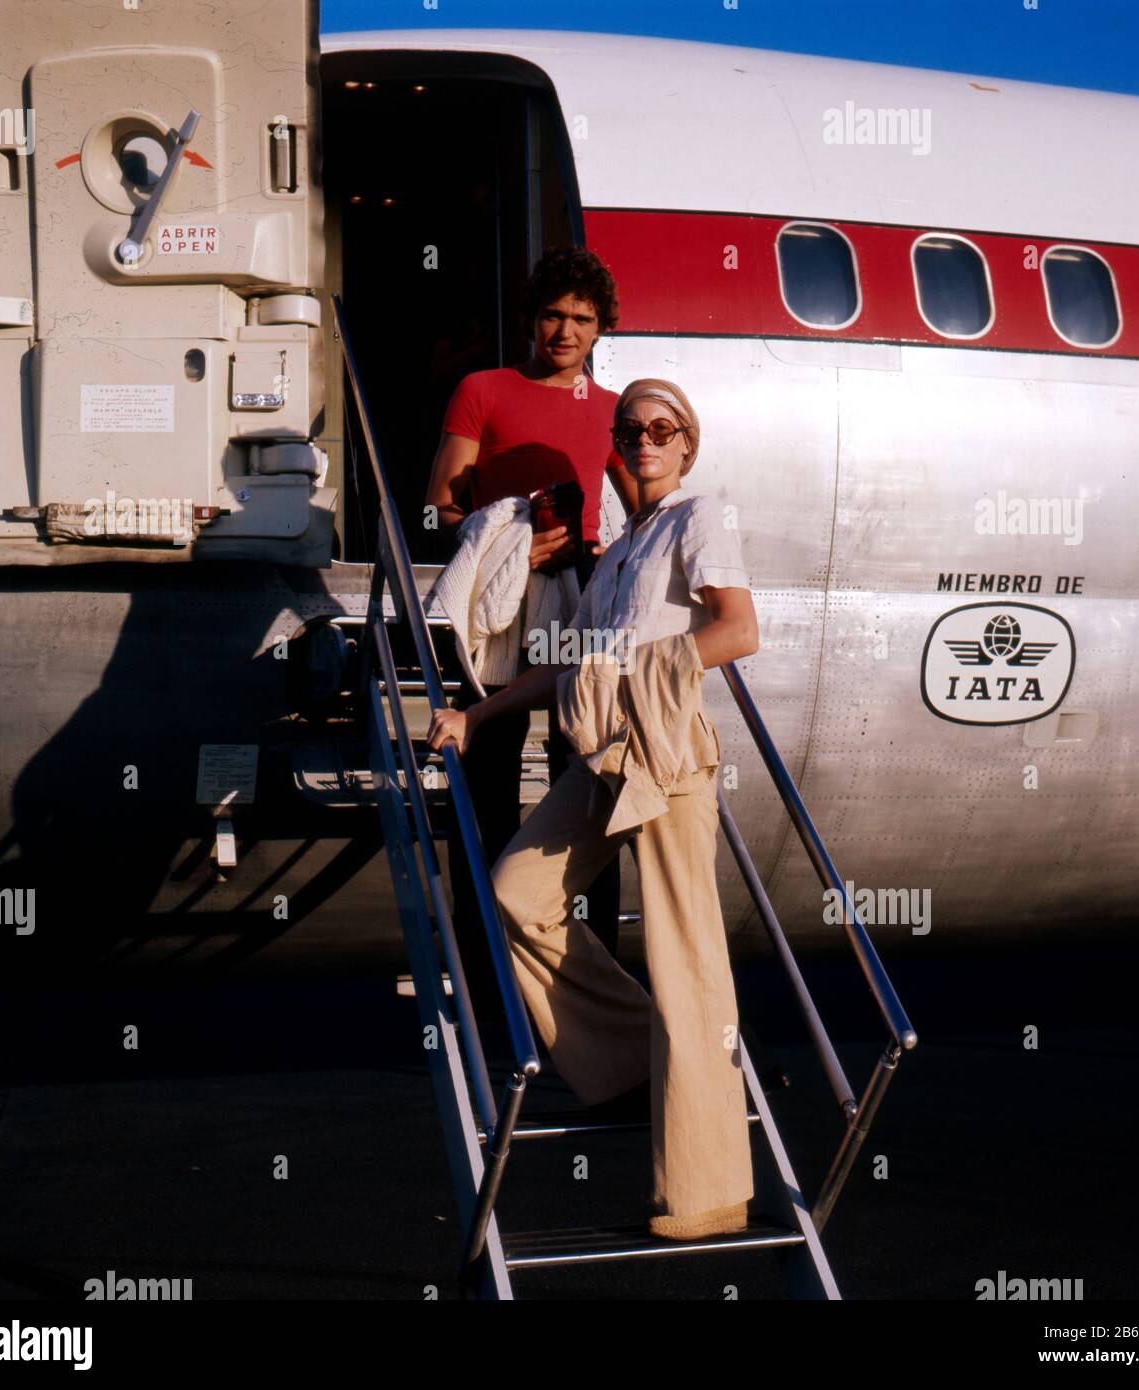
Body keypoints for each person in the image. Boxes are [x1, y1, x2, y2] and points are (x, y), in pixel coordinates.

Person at [426, 378, 760, 1241]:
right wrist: (476, 712)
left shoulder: (699, 517)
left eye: (664, 428)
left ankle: (706, 1186)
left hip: (661, 747)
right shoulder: (616, 553)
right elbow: (560, 664)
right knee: (514, 894)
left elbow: (736, 629)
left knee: (684, 955)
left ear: (687, 446)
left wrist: (643, 671)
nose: (646, 439)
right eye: (632, 429)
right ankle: (634, 1060)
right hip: (598, 751)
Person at [425, 248, 639, 1035]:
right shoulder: (484, 391)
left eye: (584, 319)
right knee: (482, 795)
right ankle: (486, 998)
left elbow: (642, 506)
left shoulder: (613, 410)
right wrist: (507, 539)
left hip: (578, 606)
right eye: (555, 314)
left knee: (588, 782)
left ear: (601, 329)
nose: (566, 330)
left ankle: (589, 993)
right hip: (497, 613)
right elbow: (438, 509)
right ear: (532, 316)